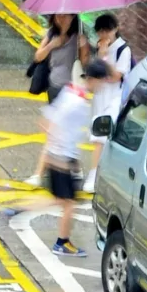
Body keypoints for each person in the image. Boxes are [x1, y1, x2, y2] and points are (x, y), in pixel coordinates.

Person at [39, 70, 92, 255]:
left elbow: (47, 120)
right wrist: (61, 159)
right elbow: (52, 124)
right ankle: (61, 243)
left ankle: (16, 208)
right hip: (61, 158)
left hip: (61, 156)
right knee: (68, 203)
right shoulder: (78, 103)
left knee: (61, 201)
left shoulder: (70, 91)